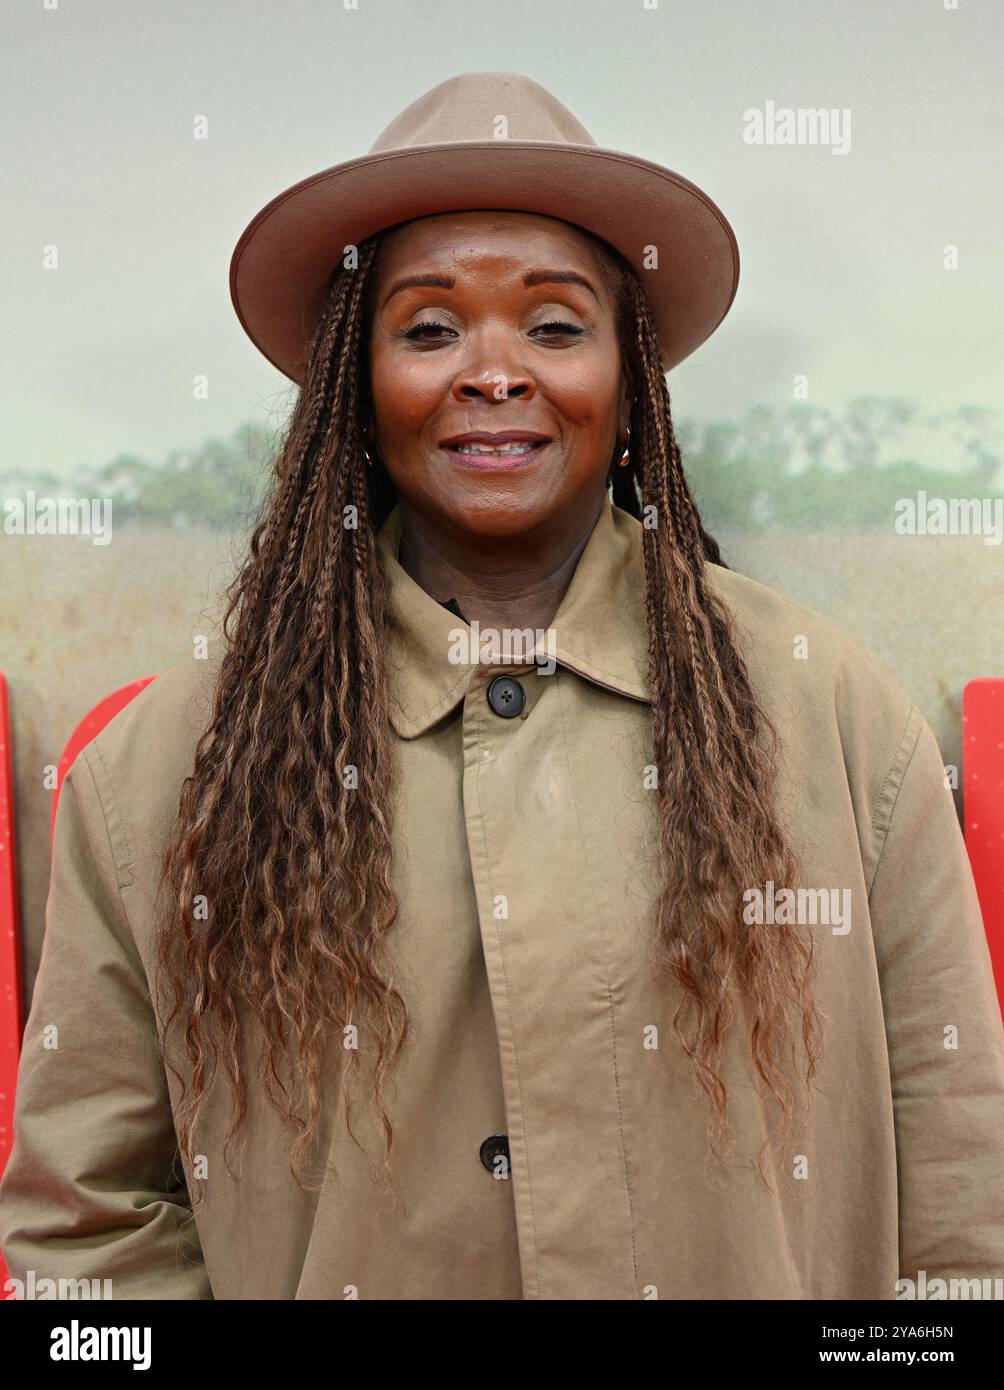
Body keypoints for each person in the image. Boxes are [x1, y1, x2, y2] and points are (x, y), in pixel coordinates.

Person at [2, 71, 1003, 1302]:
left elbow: (963, 1200)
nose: (491, 370)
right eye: (427, 328)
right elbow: (90, 1234)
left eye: (553, 323)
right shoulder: (159, 776)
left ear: (630, 385)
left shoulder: (836, 718)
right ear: (352, 399)